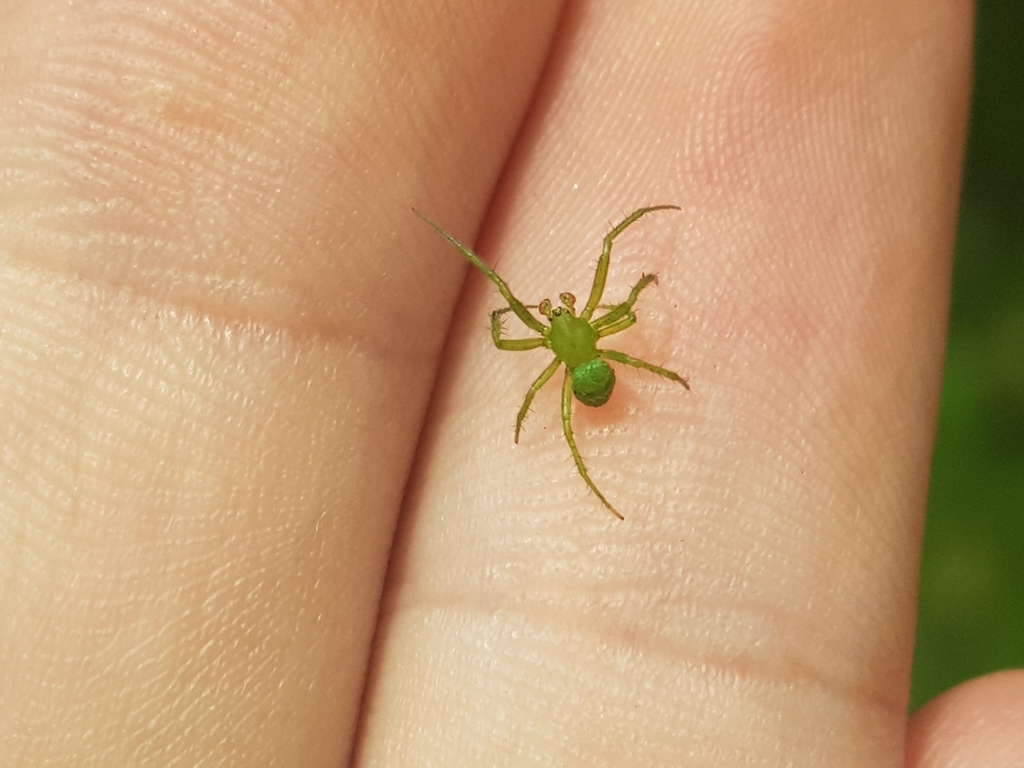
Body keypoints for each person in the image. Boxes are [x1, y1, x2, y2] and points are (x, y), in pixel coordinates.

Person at [3, 0, 1016, 765]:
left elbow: (557, 322)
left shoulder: (565, 349)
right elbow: (576, 327)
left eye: (571, 320)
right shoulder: (586, 349)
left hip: (591, 378)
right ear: (576, 339)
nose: (572, 313)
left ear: (570, 337)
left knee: (595, 289)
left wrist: (601, 316)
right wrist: (604, 346)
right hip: (594, 379)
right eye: (569, 321)